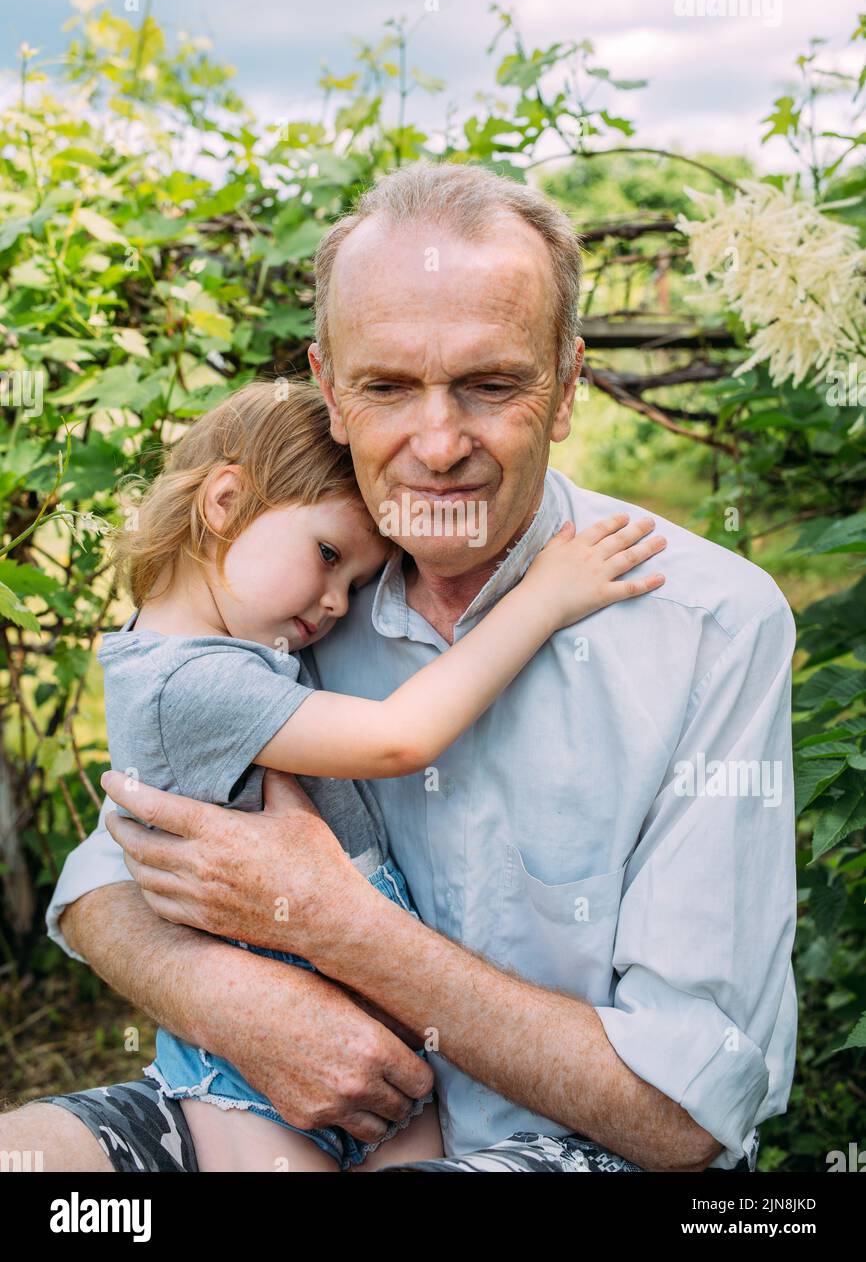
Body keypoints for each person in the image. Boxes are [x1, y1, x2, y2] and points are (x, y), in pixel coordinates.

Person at [2, 161, 797, 1173]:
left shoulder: (709, 624)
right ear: (329, 391)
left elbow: (682, 1117)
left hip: (574, 1147)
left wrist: (341, 929)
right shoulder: (288, 598)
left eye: (490, 383)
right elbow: (104, 875)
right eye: (386, 386)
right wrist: (233, 1001)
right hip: (280, 1108)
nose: (437, 442)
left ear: (565, 389)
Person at [78, 375, 666, 1173]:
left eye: (353, 581)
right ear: (223, 504)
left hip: (371, 1028)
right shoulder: (186, 684)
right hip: (258, 1063)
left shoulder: (228, 647)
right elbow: (399, 738)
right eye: (327, 556)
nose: (334, 605)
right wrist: (544, 601)